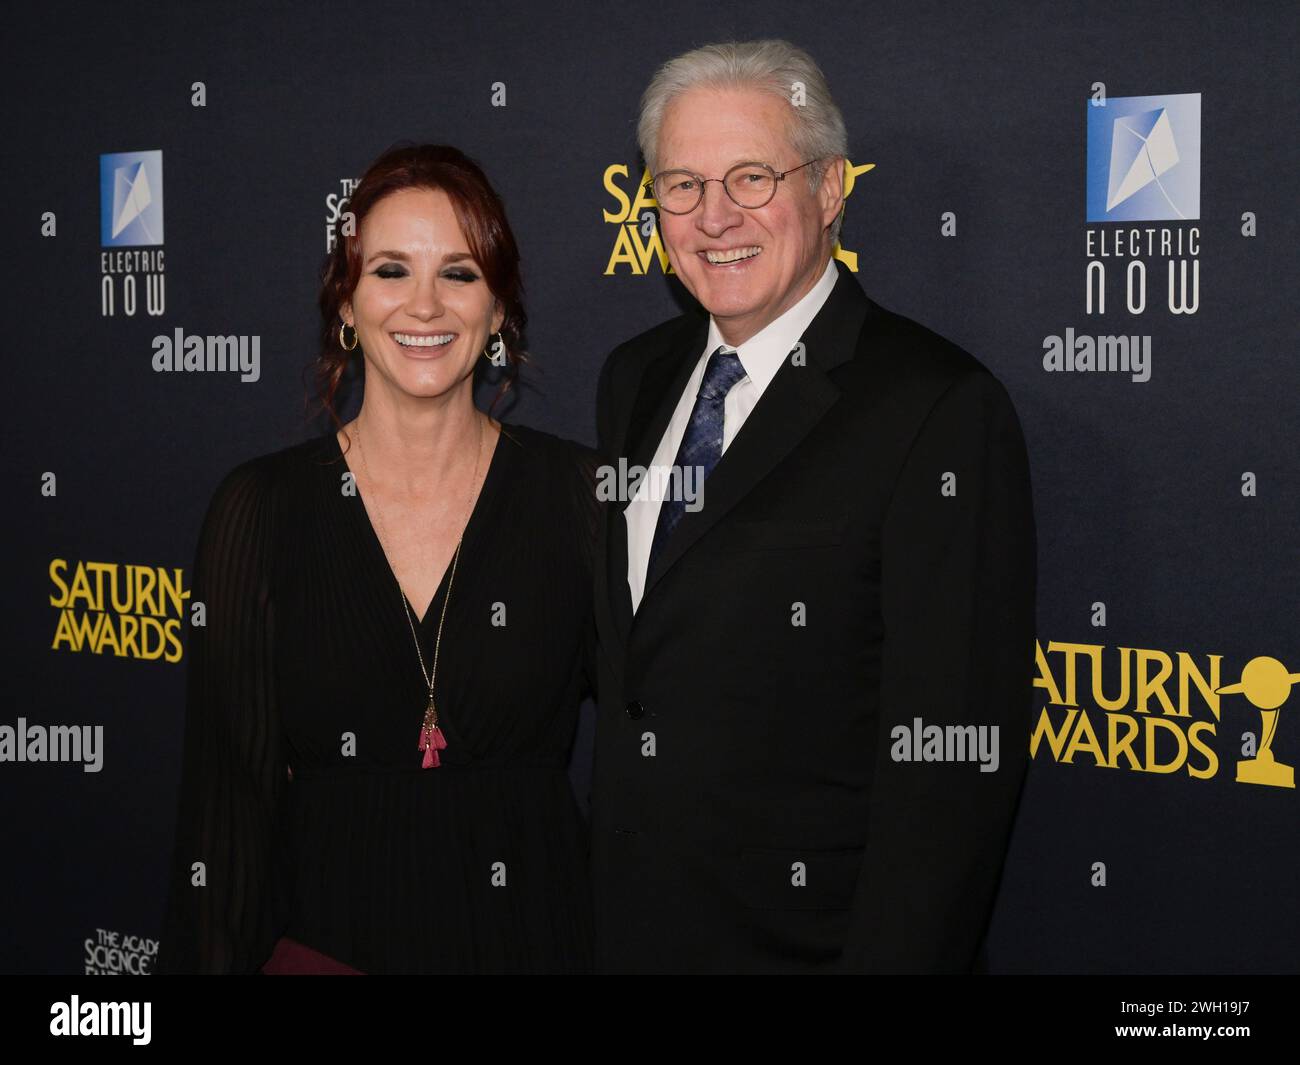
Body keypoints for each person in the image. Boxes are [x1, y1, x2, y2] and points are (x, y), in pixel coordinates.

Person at [590, 40, 1038, 973]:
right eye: (681, 185)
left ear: (831, 188)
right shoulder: (635, 378)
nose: (714, 217)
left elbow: (950, 774)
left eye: (752, 177)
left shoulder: (938, 408)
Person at [156, 143, 599, 974]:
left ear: (499, 308)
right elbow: (228, 816)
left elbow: (666, 768)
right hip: (329, 950)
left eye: (460, 273)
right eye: (391, 270)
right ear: (346, 307)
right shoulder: (263, 508)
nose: (425, 305)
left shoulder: (580, 496)